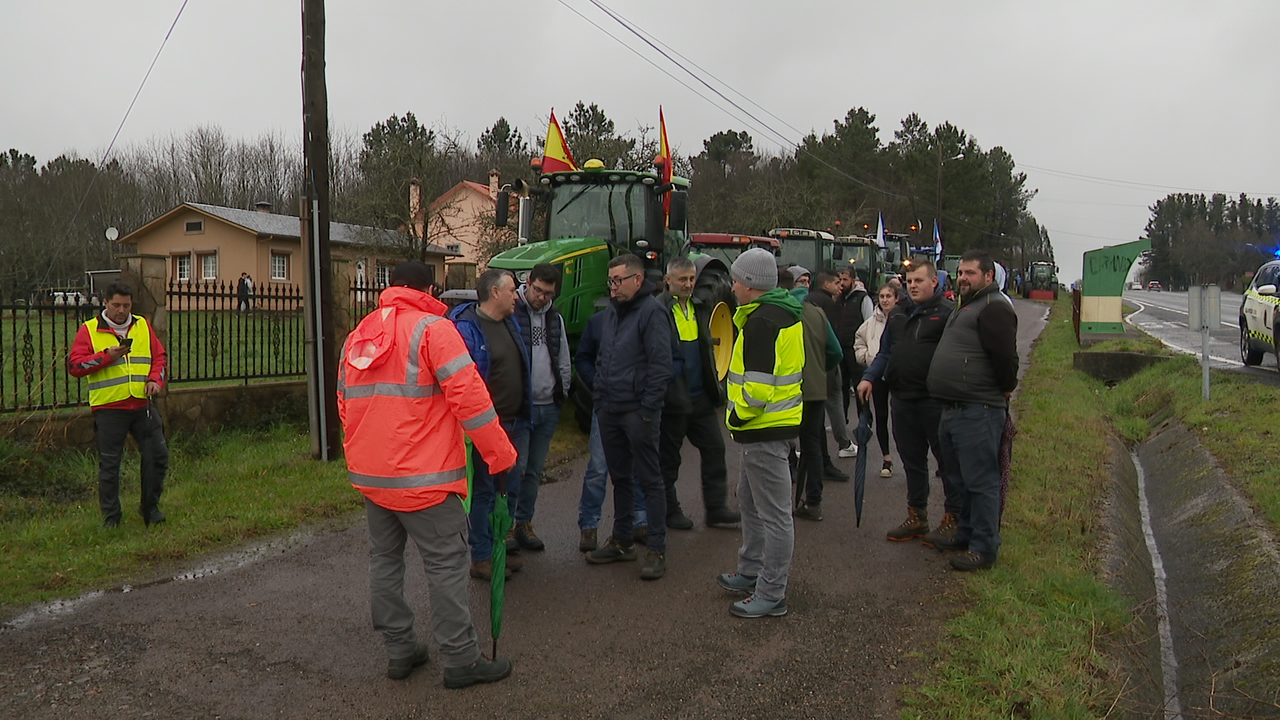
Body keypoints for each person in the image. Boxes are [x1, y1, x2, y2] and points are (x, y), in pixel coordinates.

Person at [337, 260, 514, 688]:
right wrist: (500, 455)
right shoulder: (435, 330)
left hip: (373, 477)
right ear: (430, 289)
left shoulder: (359, 334)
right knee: (446, 565)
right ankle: (461, 659)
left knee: (384, 563)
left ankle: (401, 651)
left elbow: (345, 403)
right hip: (425, 479)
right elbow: (471, 399)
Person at [716, 248, 804, 618]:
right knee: (749, 501)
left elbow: (758, 389)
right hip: (767, 429)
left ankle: (771, 591)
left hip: (763, 428)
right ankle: (751, 569)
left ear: (750, 284)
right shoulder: (776, 313)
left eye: (736, 279)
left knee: (774, 513)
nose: (732, 286)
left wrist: (736, 412)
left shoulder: (761, 322)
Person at [926, 250, 1019, 571]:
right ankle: (965, 533)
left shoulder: (993, 308)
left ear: (989, 277)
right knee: (959, 478)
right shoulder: (967, 304)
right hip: (953, 409)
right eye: (961, 272)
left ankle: (984, 547)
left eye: (971, 273)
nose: (963, 278)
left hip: (978, 409)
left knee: (980, 481)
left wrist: (1006, 387)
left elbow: (1006, 358)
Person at [857, 260, 960, 546]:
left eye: (919, 280)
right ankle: (917, 516)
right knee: (912, 462)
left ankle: (954, 518)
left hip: (935, 402)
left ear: (934, 283)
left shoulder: (948, 314)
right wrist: (869, 377)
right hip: (902, 399)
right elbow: (886, 352)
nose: (913, 285)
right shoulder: (898, 313)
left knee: (947, 463)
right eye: (909, 280)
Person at [585, 254, 673, 580]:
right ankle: (622, 541)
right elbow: (602, 358)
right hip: (610, 408)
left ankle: (657, 548)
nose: (613, 287)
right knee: (619, 477)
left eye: (618, 281)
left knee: (650, 480)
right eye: (610, 281)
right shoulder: (611, 313)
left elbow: (661, 365)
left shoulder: (652, 313)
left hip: (638, 411)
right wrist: (600, 401)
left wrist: (649, 411)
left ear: (637, 280)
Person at [448, 269, 532, 580]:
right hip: (487, 427)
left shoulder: (510, 322)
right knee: (484, 492)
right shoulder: (468, 329)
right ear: (495, 293)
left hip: (515, 422)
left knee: (508, 489)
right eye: (512, 290)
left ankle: (499, 550)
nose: (516, 295)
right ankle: (480, 556)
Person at [68, 281, 169, 528]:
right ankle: (112, 517)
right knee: (111, 465)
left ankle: (150, 508)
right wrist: (107, 357)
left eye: (126, 305)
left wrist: (156, 381)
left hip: (142, 405)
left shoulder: (142, 325)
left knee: (158, 456)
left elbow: (160, 358)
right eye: (116, 305)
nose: (121, 310)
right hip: (109, 408)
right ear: (106, 303)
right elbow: (75, 367)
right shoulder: (89, 329)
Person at [657, 257, 740, 530]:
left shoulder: (700, 308)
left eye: (692, 279)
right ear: (668, 280)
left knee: (715, 449)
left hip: (701, 396)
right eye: (683, 279)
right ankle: (670, 510)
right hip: (673, 399)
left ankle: (716, 508)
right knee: (669, 459)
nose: (689, 285)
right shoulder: (658, 310)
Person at [511, 264, 572, 552]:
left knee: (534, 470)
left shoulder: (554, 318)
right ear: (528, 283)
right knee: (516, 468)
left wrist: (564, 390)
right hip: (521, 407)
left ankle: (525, 522)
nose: (542, 298)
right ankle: (507, 526)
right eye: (538, 291)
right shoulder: (512, 312)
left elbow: (563, 358)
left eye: (549, 294)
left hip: (549, 405)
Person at [781, 268, 844, 522]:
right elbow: (835, 352)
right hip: (815, 389)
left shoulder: (778, 311)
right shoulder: (816, 312)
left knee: (778, 445)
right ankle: (813, 501)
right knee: (813, 446)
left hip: (783, 389)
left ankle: (778, 500)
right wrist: (818, 369)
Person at [807, 269, 855, 458]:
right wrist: (834, 361)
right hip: (826, 361)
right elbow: (831, 337)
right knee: (834, 400)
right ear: (826, 284)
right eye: (836, 283)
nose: (840, 286)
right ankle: (844, 443)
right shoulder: (828, 304)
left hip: (811, 362)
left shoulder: (808, 301)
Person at [854, 284, 899, 478]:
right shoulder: (870, 323)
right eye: (881, 296)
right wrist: (866, 358)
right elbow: (858, 341)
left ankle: (907, 456)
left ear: (896, 299)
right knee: (881, 416)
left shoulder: (903, 319)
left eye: (889, 296)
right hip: (878, 374)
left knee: (899, 417)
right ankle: (886, 458)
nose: (885, 300)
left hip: (898, 374)